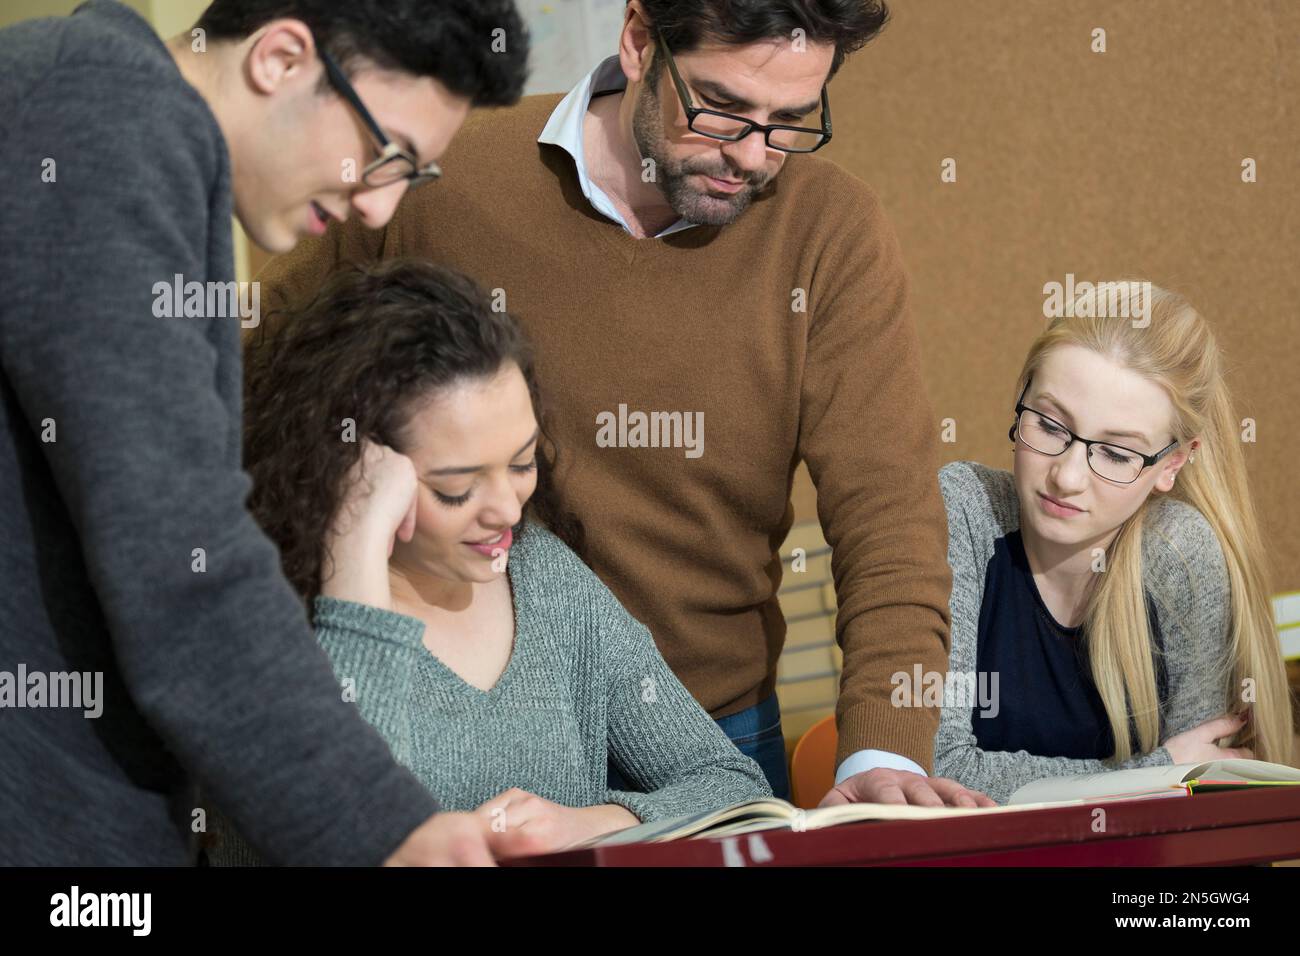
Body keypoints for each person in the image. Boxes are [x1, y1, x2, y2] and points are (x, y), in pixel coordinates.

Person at [256, 0, 994, 809]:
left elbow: (888, 515)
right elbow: (262, 387)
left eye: (790, 120)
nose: (751, 155)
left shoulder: (829, 233)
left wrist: (881, 756)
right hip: (464, 717)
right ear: (640, 41)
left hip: (714, 735)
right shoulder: (450, 172)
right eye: (721, 108)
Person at [0, 0, 533, 865]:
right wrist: (383, 827)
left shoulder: (123, 119)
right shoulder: (100, 118)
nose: (379, 206)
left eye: (413, 176)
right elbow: (180, 557)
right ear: (282, 59)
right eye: (386, 152)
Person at [204, 259, 773, 864]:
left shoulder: (546, 580)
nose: (507, 509)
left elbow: (734, 787)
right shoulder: (263, 614)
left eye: (523, 463)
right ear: (347, 471)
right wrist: (354, 550)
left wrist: (593, 822)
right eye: (457, 489)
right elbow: (335, 839)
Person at [934, 282, 1295, 804]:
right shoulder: (966, 510)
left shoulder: (1180, 555)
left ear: (1171, 464)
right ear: (1021, 398)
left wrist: (1165, 778)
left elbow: (1203, 794)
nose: (1067, 477)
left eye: (1116, 454)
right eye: (1050, 425)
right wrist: (1154, 773)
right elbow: (939, 769)